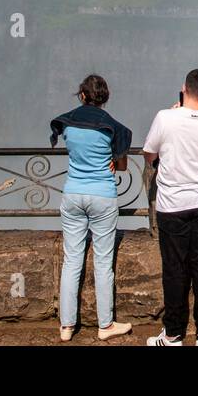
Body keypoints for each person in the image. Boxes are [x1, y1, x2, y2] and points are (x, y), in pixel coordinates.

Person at [141, 69, 198, 347]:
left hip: (172, 205)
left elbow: (149, 153)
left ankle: (173, 334)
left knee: (174, 268)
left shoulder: (164, 117)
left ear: (183, 88)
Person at [49, 74, 133, 342]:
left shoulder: (68, 124)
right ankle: (105, 325)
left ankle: (66, 326)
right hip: (103, 196)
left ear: (82, 95)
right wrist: (111, 161)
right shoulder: (112, 127)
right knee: (103, 262)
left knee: (72, 260)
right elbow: (122, 166)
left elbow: (74, 151)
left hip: (72, 194)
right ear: (104, 98)